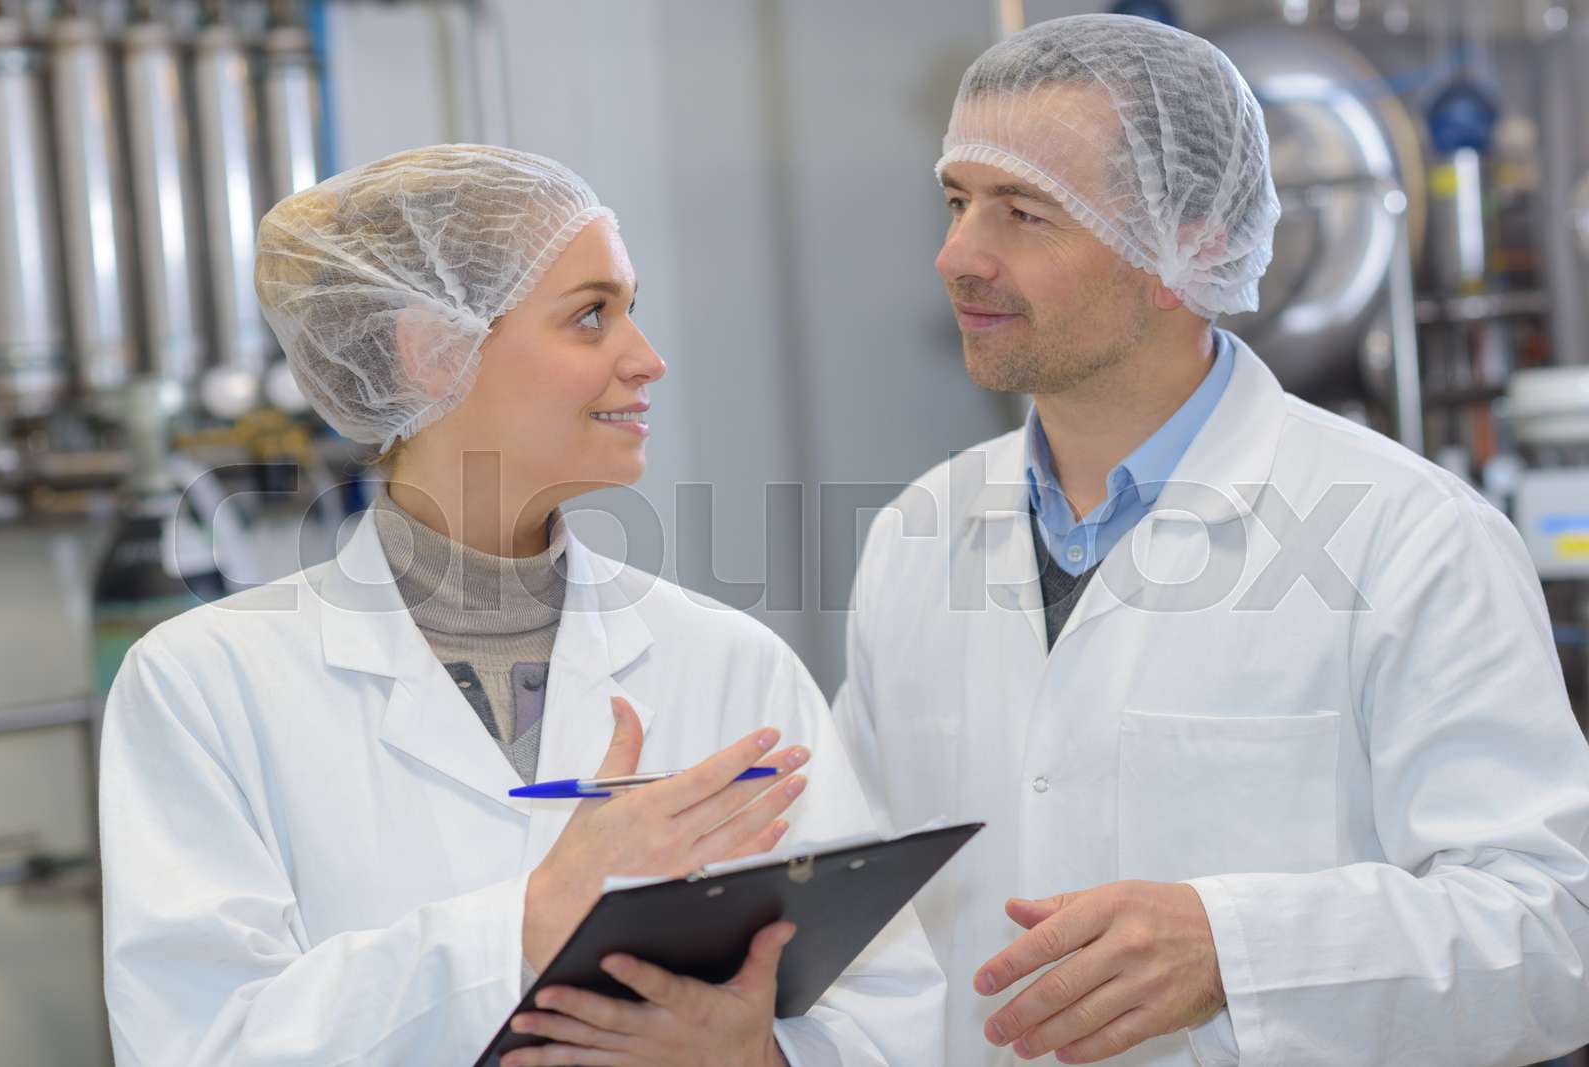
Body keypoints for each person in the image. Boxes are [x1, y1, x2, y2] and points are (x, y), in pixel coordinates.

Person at [833, 15, 1589, 1067]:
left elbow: (1555, 929)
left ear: (1187, 244)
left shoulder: (1408, 536)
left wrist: (1237, 950)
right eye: (958, 200)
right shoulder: (917, 533)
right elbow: (864, 906)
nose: (957, 254)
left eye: (1023, 212)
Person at [99, 145, 943, 1067]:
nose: (648, 359)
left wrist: (755, 1059)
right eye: (591, 317)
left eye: (632, 310)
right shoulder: (205, 685)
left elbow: (891, 1013)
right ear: (432, 350)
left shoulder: (730, 662)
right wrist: (528, 923)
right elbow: (199, 1042)